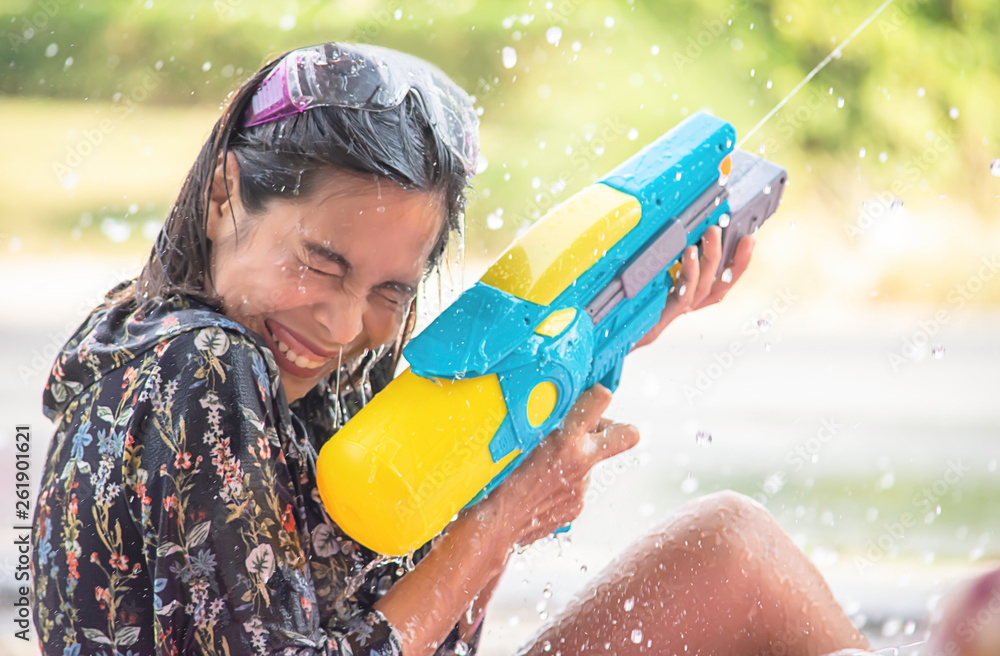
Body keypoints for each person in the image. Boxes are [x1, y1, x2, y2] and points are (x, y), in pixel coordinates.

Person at [30, 42, 871, 656]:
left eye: (390, 292)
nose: (339, 323)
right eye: (320, 264)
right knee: (735, 549)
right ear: (224, 195)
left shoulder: (190, 350)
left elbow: (429, 575)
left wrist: (623, 327)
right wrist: (499, 522)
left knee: (729, 551)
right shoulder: (205, 366)